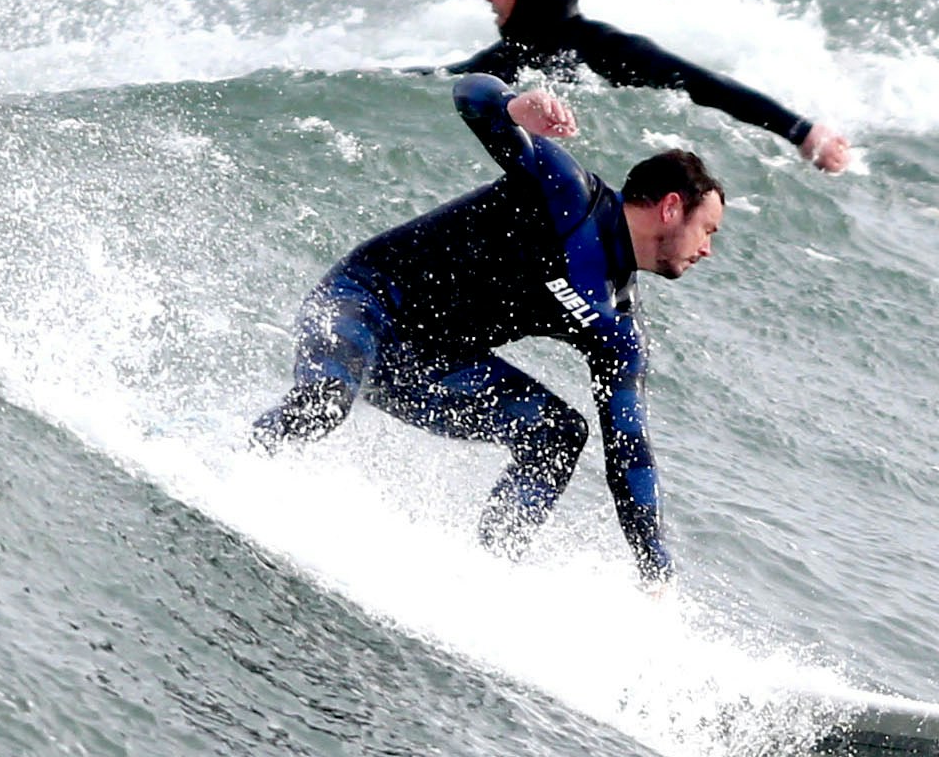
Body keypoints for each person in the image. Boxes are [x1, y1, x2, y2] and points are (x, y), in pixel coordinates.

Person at [251, 70, 722, 579]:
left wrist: (656, 568)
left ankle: (486, 576)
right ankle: (240, 474)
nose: (707, 249)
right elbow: (470, 94)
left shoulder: (617, 325)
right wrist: (514, 106)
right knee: (325, 400)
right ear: (672, 208)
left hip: (426, 368)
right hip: (362, 307)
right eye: (707, 229)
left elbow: (629, 449)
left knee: (557, 434)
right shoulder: (568, 195)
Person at [468, 0, 850, 171]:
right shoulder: (508, 56)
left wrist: (801, 131)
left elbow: (703, 84)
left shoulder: (604, 47)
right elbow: (438, 82)